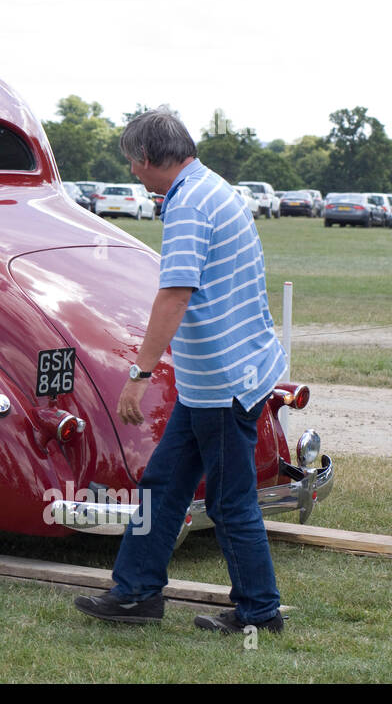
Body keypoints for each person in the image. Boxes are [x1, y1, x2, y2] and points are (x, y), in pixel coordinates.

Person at [74, 108, 288, 635]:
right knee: (164, 484)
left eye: (132, 164)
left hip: (222, 381)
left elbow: (174, 294)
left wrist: (140, 373)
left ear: (147, 159)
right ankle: (135, 594)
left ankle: (259, 611)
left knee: (228, 500)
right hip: (224, 376)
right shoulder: (212, 188)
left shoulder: (188, 205)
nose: (134, 175)